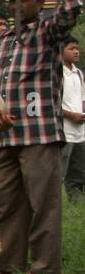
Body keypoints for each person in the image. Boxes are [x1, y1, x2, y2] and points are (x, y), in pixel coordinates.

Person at [0, 0, 82, 274]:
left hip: (40, 132)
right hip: (6, 134)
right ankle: (5, 264)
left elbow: (70, 12)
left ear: (39, 3)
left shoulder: (47, 31)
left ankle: (44, 269)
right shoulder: (4, 41)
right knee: (5, 202)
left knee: (43, 203)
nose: (17, 4)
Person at [63, 39, 85, 198]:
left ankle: (75, 204)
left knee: (78, 172)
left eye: (77, 49)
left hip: (80, 132)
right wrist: (71, 115)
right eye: (72, 49)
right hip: (64, 130)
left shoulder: (78, 73)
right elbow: (51, 103)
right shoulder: (57, 73)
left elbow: (82, 98)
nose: (76, 52)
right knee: (60, 171)